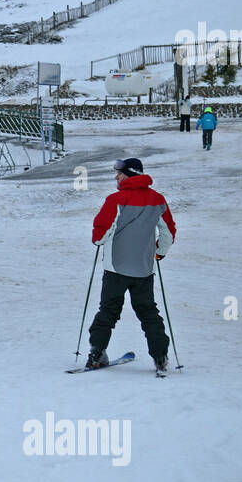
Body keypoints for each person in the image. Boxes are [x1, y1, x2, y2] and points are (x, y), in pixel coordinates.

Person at [86, 157, 176, 373]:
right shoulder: (158, 200)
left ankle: (97, 353)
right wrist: (159, 253)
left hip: (115, 268)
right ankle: (160, 356)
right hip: (144, 269)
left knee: (108, 310)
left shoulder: (116, 199)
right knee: (148, 312)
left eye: (120, 173)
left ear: (131, 174)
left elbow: (101, 232)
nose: (116, 177)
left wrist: (98, 240)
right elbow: (168, 231)